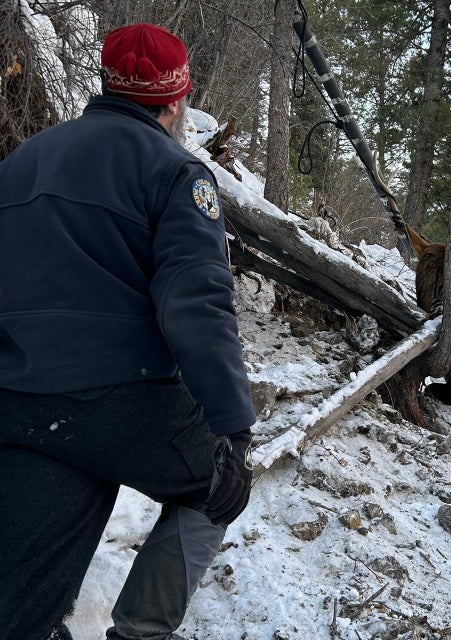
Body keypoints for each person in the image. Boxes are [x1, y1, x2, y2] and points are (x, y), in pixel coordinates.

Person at [0, 23, 257, 640]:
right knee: (221, 486)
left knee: (22, 614)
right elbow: (196, 306)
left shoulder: (21, 162)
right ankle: (139, 633)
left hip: (18, 400)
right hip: (122, 395)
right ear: (175, 100)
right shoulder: (177, 173)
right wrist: (233, 424)